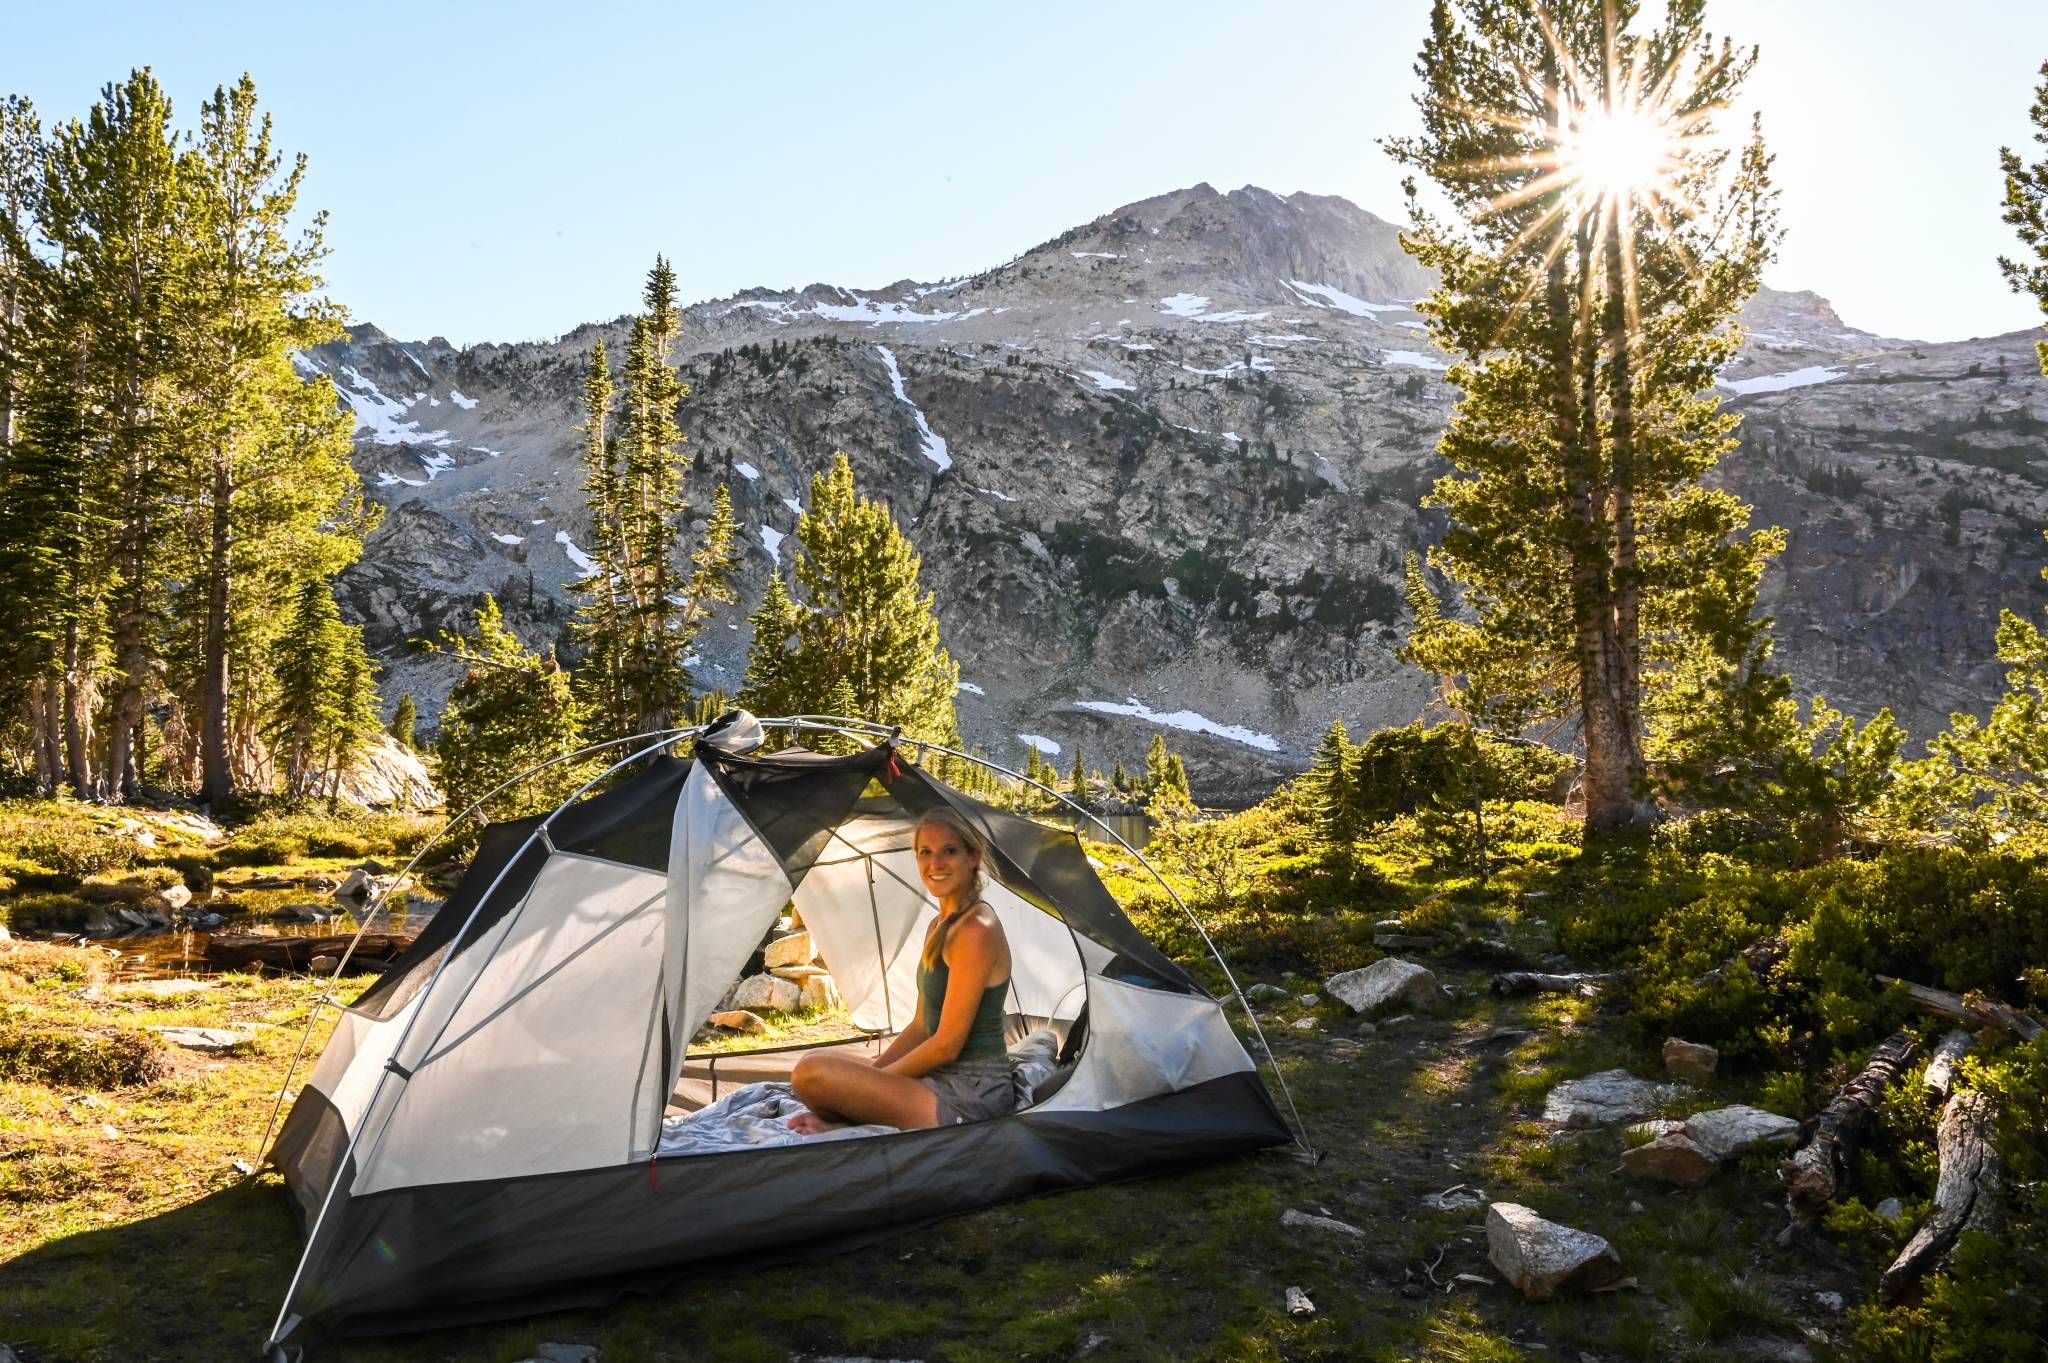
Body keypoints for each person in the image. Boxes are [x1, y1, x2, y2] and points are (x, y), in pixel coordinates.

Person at [787, 808, 1015, 1133]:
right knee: (814, 1062)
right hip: (939, 1078)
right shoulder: (939, 926)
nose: (935, 863)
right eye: (925, 852)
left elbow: (947, 1045)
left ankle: (841, 1125)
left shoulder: (976, 928)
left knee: (810, 1074)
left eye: (949, 851)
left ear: (973, 857)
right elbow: (922, 1025)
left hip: (971, 1094)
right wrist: (872, 1075)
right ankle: (848, 1119)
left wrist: (870, 1084)